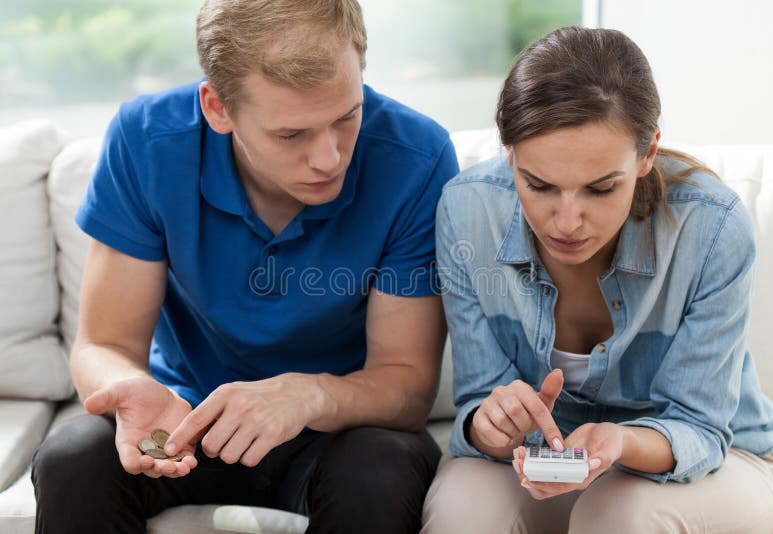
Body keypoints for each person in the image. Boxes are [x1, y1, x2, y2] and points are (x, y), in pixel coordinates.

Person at [31, 1, 459, 533]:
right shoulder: (146, 141)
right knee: (73, 454)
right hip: (184, 421)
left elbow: (407, 383)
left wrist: (307, 395)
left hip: (339, 429)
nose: (329, 158)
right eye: (291, 134)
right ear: (218, 108)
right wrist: (134, 387)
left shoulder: (417, 157)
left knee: (380, 469)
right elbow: (104, 345)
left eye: (346, 117)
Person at [422, 26, 773, 534]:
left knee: (618, 513)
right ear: (509, 153)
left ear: (647, 154)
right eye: (539, 185)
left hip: (722, 459)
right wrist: (492, 425)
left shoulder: (712, 227)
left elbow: (702, 427)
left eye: (600, 188)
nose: (567, 221)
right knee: (462, 512)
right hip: (549, 460)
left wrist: (619, 441)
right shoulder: (468, 210)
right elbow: (477, 402)